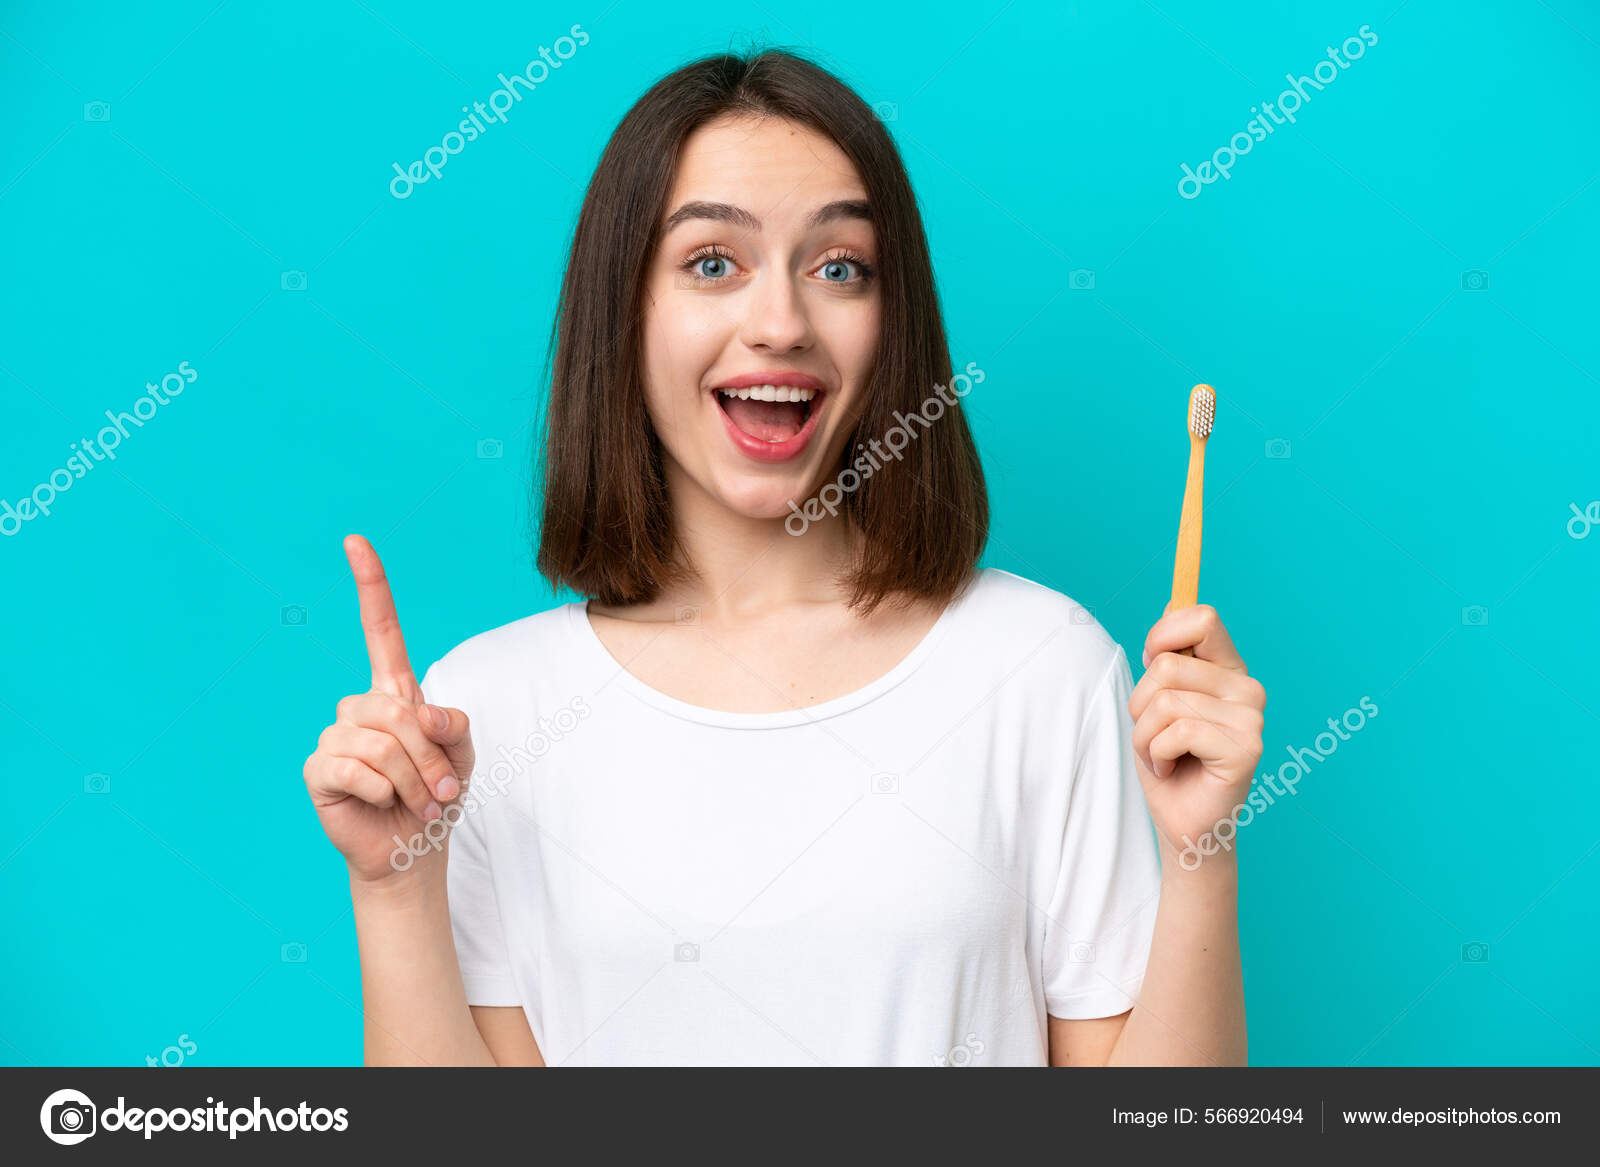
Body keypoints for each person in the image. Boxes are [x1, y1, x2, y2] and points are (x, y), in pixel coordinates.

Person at [302, 48, 1265, 1067]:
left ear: (893, 322)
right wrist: (394, 890)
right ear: (622, 310)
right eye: (712, 263)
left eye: (838, 267)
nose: (780, 325)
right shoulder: (487, 714)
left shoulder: (1041, 667)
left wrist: (1199, 853)